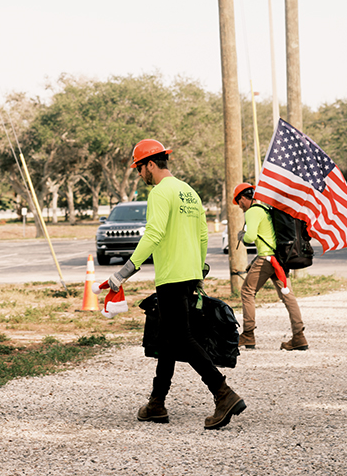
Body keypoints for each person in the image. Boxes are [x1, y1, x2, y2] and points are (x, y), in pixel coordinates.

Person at [98, 139, 246, 430]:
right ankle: (156, 403)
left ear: (150, 164)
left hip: (171, 276)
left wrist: (121, 275)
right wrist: (198, 270)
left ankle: (223, 393)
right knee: (167, 338)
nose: (140, 175)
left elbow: (152, 236)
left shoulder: (160, 193)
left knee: (181, 338)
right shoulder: (189, 191)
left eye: (140, 168)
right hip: (189, 273)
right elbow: (203, 236)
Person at [232, 183, 308, 351]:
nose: (239, 206)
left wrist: (242, 237)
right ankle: (299, 336)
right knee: (288, 296)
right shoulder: (265, 208)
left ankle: (248, 334)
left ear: (243, 198)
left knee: (247, 291)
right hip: (279, 259)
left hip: (266, 258)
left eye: (239, 202)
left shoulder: (252, 211)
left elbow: (250, 237)